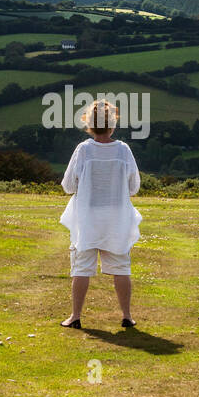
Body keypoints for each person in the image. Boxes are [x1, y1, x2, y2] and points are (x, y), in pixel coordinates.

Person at [59, 99, 142, 329]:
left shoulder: (83, 150)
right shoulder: (123, 150)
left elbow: (68, 185)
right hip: (116, 217)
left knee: (82, 267)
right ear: (112, 126)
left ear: (90, 126)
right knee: (121, 267)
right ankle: (127, 316)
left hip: (86, 217)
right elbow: (134, 186)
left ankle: (75, 316)